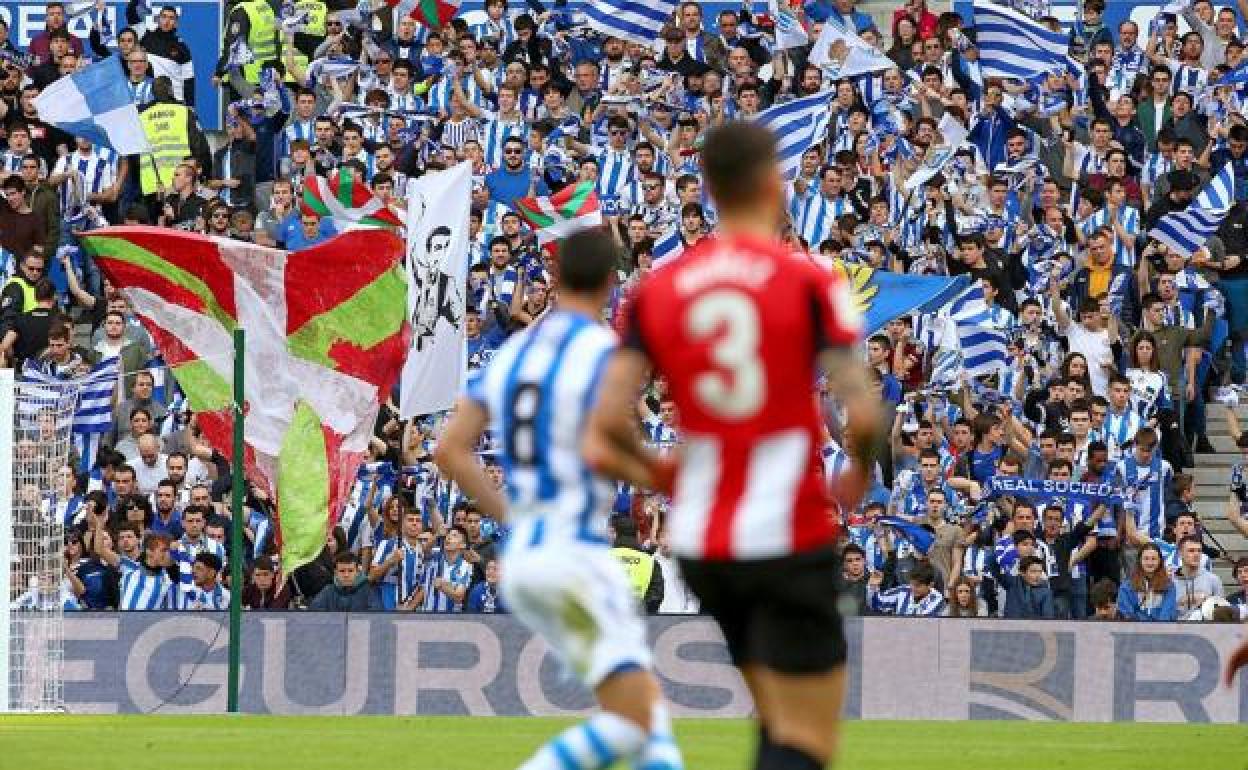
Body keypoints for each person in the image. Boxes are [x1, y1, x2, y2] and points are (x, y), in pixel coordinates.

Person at [584, 122, 881, 770]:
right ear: (772, 183)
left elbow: (606, 423)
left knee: (773, 710)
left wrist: (666, 472)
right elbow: (863, 403)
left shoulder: (657, 289)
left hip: (705, 537)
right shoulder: (808, 279)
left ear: (709, 189)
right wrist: (858, 467)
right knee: (808, 728)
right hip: (787, 526)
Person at [436, 228, 684, 770]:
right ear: (611, 283)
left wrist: (514, 520)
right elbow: (605, 443)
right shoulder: (600, 352)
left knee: (638, 719)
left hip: (526, 557)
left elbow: (449, 450)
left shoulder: (512, 354)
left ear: (553, 278)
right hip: (574, 553)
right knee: (642, 717)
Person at [1116, 542, 1178, 621]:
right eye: (1146, 558)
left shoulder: (1169, 586)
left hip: (1161, 630)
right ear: (1140, 560)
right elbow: (1127, 614)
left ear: (1160, 561)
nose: (1150, 563)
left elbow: (1167, 614)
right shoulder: (1127, 586)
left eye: (1153, 559)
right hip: (1135, 630)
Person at [308, 552, 383, 611]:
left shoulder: (368, 591)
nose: (346, 575)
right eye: (342, 571)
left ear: (357, 572)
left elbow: (376, 616)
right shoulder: (327, 591)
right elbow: (314, 614)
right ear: (336, 572)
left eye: (350, 571)